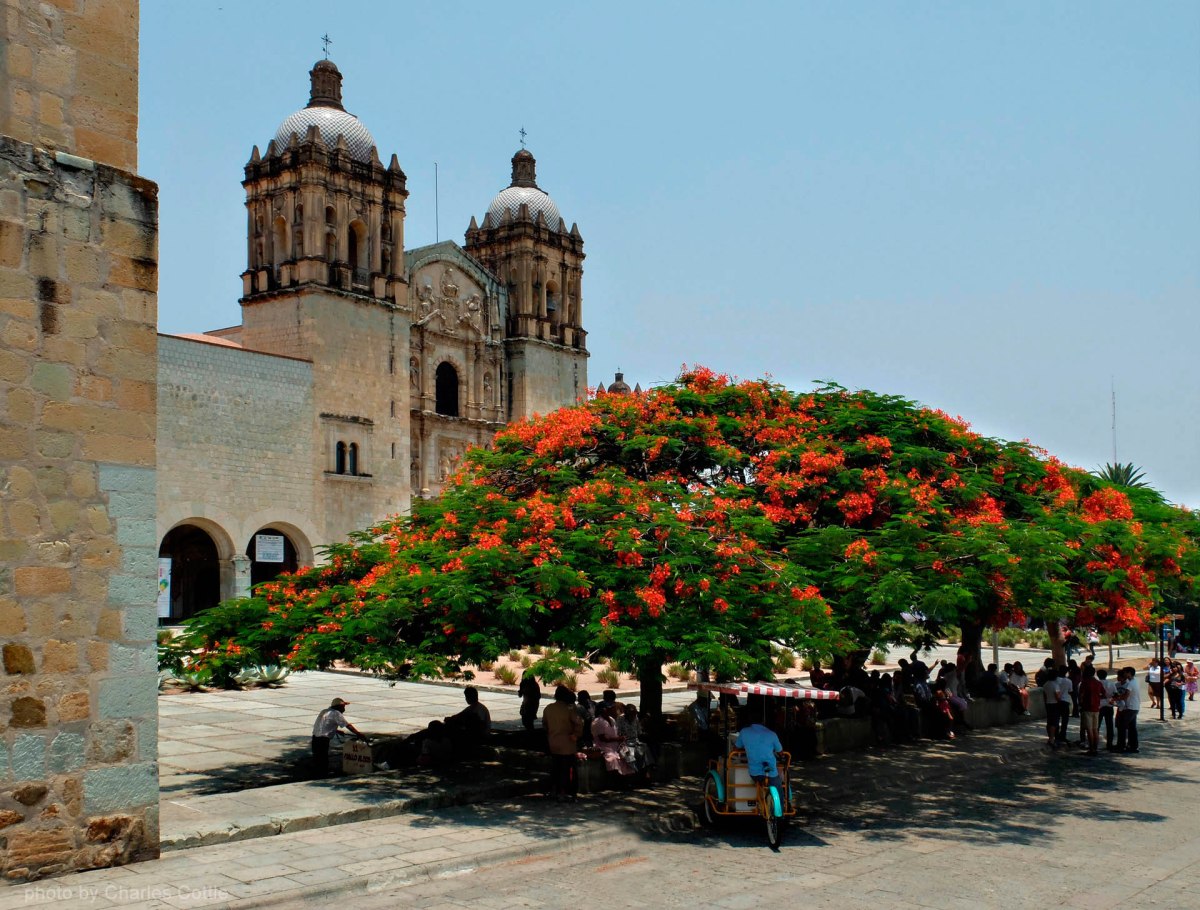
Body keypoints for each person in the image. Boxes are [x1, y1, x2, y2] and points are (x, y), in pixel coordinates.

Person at [542, 684, 583, 800]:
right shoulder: (569, 709)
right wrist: (576, 735)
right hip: (567, 744)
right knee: (567, 769)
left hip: (553, 743)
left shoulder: (548, 708)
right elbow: (579, 723)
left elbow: (545, 724)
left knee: (555, 768)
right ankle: (564, 792)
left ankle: (554, 790)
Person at [311, 697, 366, 776]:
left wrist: (335, 730)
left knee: (317, 757)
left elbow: (324, 725)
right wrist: (358, 733)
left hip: (315, 737)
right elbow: (348, 725)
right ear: (338, 706)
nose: (344, 709)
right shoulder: (336, 713)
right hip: (323, 739)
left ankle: (316, 774)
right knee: (323, 758)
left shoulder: (324, 711)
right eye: (343, 707)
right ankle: (323, 775)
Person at [735, 713, 784, 791]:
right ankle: (780, 798)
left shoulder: (744, 732)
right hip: (771, 773)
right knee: (778, 788)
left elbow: (736, 748)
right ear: (763, 721)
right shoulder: (772, 734)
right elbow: (780, 752)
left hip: (754, 773)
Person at [591, 702, 636, 778]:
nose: (613, 709)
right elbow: (603, 739)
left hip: (616, 745)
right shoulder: (598, 722)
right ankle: (615, 779)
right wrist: (618, 739)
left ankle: (629, 777)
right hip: (604, 747)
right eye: (610, 708)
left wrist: (620, 738)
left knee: (628, 754)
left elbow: (615, 733)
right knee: (613, 759)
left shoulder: (611, 719)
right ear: (604, 710)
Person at [445, 685, 491, 751]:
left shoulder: (480, 709)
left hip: (480, 735)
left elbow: (480, 725)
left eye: (467, 697)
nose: (466, 699)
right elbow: (459, 715)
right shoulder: (471, 708)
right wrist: (451, 719)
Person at [1077, 664, 1105, 755]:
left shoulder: (1084, 683)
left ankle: (1091, 748)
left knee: (1089, 729)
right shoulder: (1098, 683)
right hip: (1096, 708)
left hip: (1087, 707)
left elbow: (1081, 696)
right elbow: (1104, 694)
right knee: (1095, 729)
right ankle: (1095, 748)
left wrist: (1080, 705)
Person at [1114, 667, 1140, 754]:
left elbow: (1126, 695)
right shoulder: (1134, 681)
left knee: (1122, 727)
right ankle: (1133, 746)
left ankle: (1121, 746)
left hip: (1129, 707)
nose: (1124, 674)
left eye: (1125, 672)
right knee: (1132, 728)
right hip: (1134, 707)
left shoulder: (1130, 684)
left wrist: (1117, 699)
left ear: (1129, 673)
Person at [1097, 668, 1117, 751]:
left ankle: (1094, 743)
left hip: (1099, 706)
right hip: (1109, 705)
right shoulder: (1111, 683)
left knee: (1097, 725)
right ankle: (1109, 743)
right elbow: (1115, 694)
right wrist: (1111, 700)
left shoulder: (1097, 683)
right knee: (1109, 725)